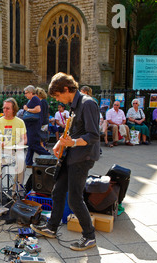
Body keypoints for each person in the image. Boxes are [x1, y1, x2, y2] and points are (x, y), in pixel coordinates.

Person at [31, 72, 100, 251]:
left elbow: (93, 135)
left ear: (66, 89)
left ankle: (89, 236)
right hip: (70, 154)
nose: (59, 100)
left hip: (82, 157)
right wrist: (61, 144)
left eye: (59, 96)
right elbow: (72, 130)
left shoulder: (88, 104)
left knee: (75, 199)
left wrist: (74, 143)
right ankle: (52, 227)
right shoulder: (74, 104)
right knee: (58, 191)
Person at [0, 98, 27, 192]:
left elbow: (25, 139)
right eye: (4, 108)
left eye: (7, 108)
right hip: (0, 151)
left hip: (14, 151)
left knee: (22, 162)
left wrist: (19, 146)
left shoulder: (20, 122)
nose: (5, 110)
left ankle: (16, 192)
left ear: (14, 109)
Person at [22, 85, 50, 167]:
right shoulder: (33, 99)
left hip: (33, 125)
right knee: (31, 144)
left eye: (26, 93)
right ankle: (28, 162)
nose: (25, 95)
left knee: (33, 144)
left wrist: (27, 109)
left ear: (31, 92)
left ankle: (48, 155)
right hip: (32, 125)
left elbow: (38, 110)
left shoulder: (35, 99)